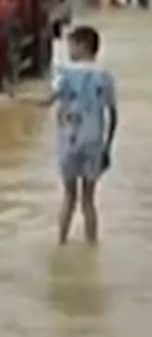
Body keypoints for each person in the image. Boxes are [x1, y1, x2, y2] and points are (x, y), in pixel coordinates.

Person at [27, 26, 118, 245]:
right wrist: (107, 146)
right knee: (89, 200)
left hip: (70, 142)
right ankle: (91, 243)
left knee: (69, 196)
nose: (68, 50)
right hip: (94, 143)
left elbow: (48, 100)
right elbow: (113, 115)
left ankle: (61, 242)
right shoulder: (105, 76)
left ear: (82, 46)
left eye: (71, 45)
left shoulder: (64, 74)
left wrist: (19, 98)